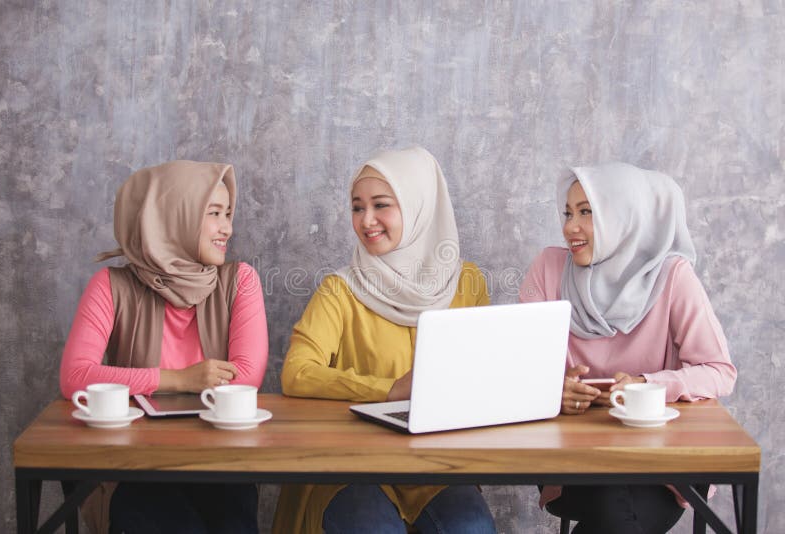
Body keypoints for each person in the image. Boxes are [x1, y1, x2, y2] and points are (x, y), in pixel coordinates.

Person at [272, 146, 496, 534]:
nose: (367, 220)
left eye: (381, 205)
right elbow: (296, 372)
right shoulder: (339, 291)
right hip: (351, 464)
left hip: (434, 467)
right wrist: (387, 390)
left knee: (472, 528)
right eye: (357, 207)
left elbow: (485, 372)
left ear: (419, 207)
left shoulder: (467, 283)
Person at [519, 162, 737, 533]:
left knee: (616, 505)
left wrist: (646, 385)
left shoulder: (672, 277)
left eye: (587, 212)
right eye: (568, 212)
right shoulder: (549, 269)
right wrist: (552, 389)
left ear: (624, 217)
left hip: (658, 465)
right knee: (612, 503)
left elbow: (719, 371)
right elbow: (516, 365)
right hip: (572, 460)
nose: (570, 226)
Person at [59, 160, 268, 534]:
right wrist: (180, 379)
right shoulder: (110, 286)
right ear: (175, 217)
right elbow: (75, 377)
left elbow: (245, 378)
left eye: (229, 213)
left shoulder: (240, 281)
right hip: (134, 466)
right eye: (215, 213)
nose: (228, 228)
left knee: (232, 509)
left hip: (220, 463)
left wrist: (144, 381)